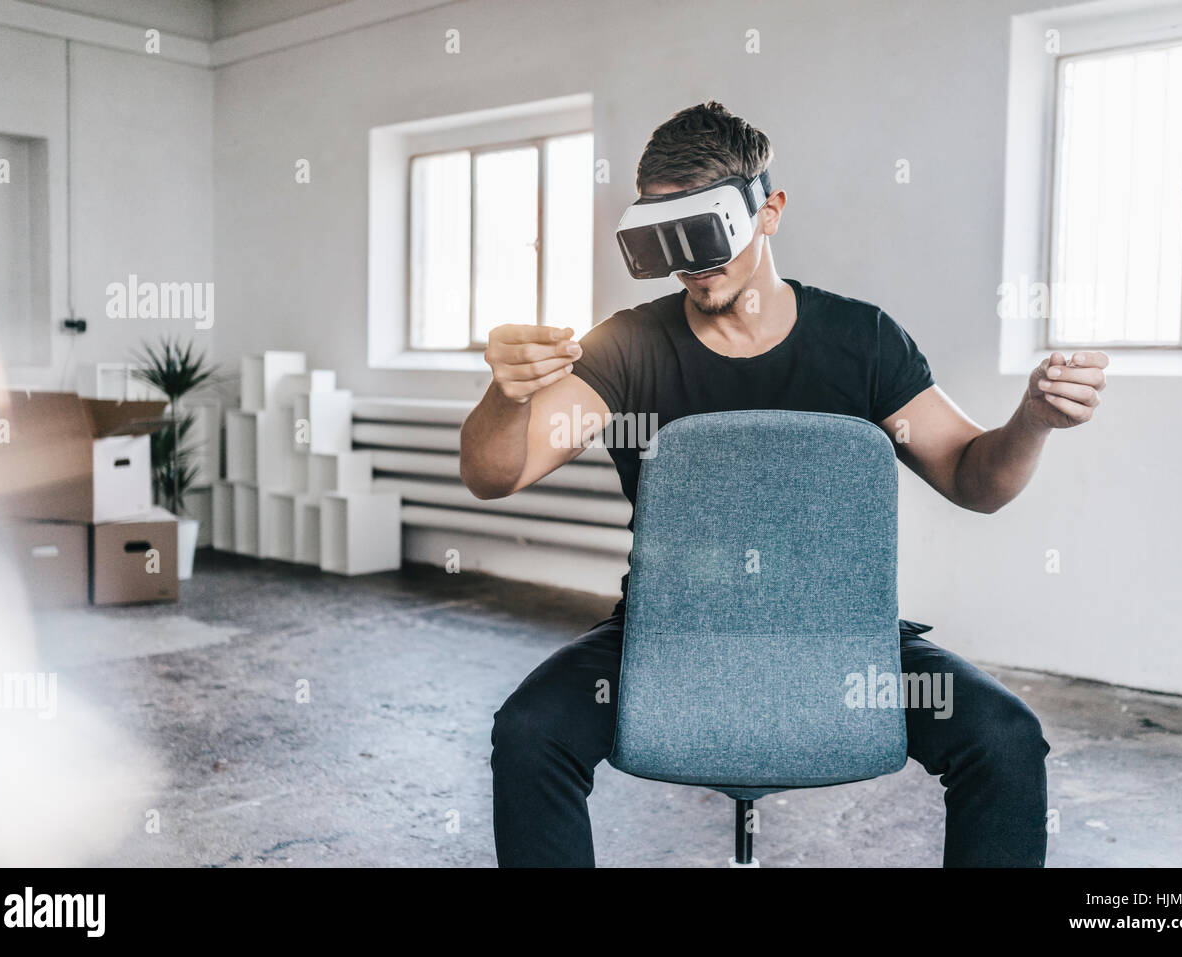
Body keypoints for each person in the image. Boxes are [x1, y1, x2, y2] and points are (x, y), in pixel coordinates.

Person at [459, 102, 1108, 867]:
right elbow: (495, 472)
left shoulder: (861, 341)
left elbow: (976, 479)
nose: (693, 264)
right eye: (667, 242)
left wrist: (1031, 418)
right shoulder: (628, 347)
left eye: (706, 234)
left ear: (768, 212)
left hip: (842, 638)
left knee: (1004, 738)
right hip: (670, 636)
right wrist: (506, 393)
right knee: (530, 735)